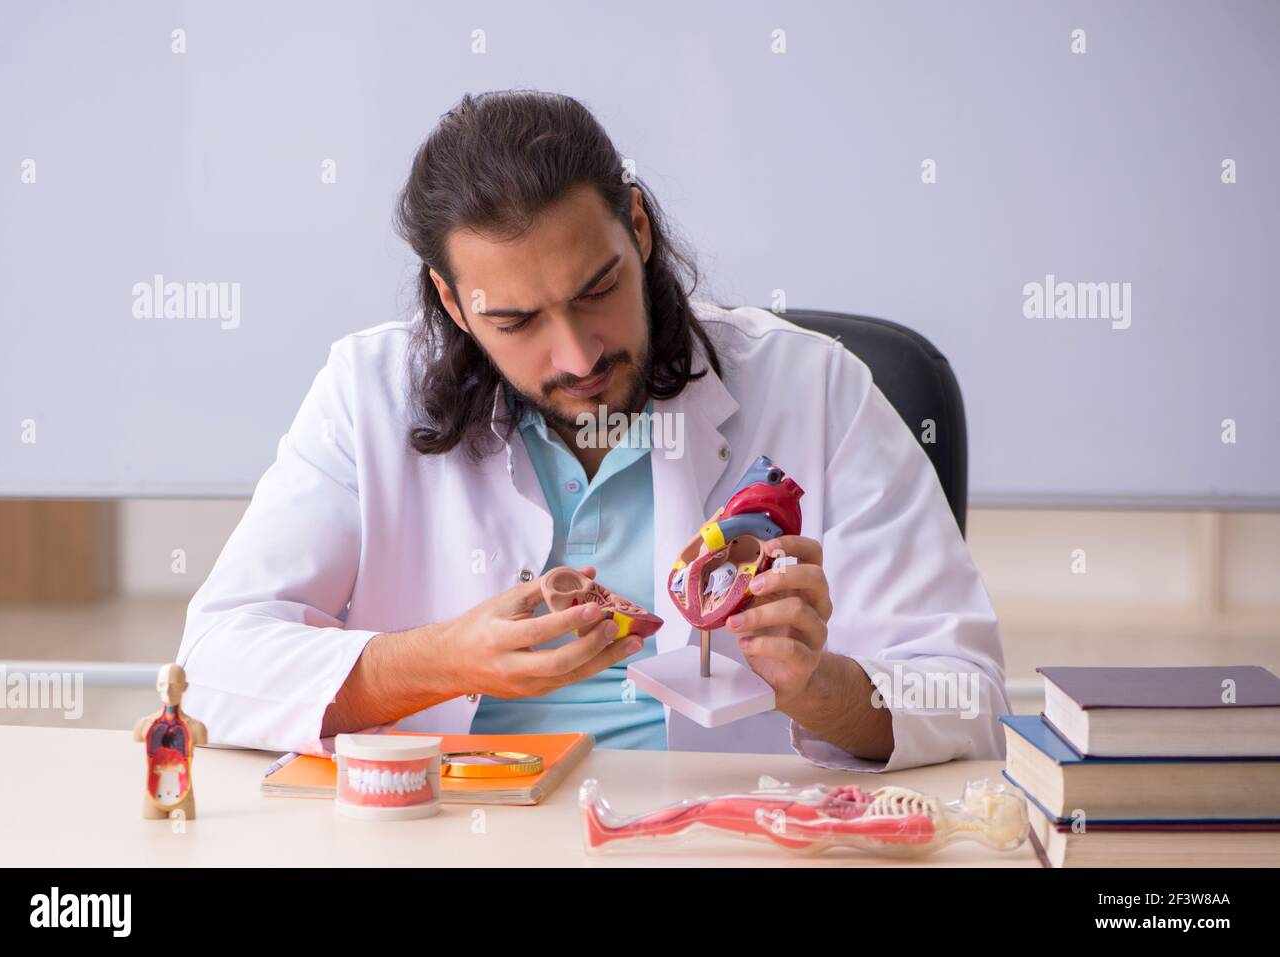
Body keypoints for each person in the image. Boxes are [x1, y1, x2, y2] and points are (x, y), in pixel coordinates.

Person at [176, 90, 1009, 771]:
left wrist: (813, 685)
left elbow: (968, 696)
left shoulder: (816, 388)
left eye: (597, 290)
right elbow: (211, 664)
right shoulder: (367, 394)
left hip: (715, 838)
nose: (577, 356)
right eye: (517, 321)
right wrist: (445, 659)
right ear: (453, 303)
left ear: (637, 229)